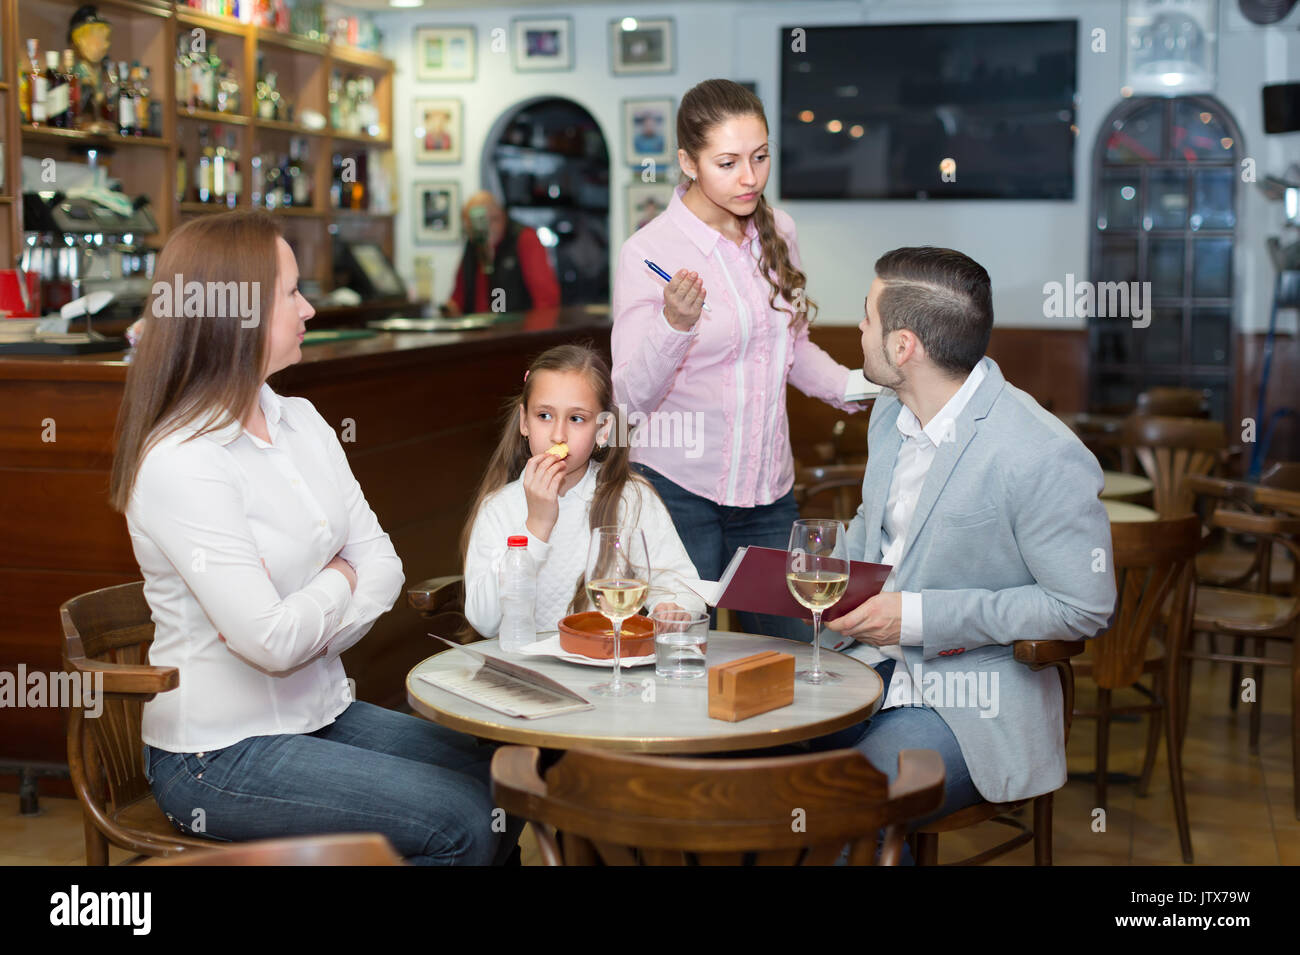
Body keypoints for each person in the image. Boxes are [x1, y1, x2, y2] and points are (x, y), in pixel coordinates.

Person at [109, 210, 517, 865]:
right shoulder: (182, 461)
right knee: (465, 820)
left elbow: (382, 561)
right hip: (217, 754)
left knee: (508, 777)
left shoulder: (298, 418)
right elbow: (274, 642)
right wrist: (339, 578)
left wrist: (312, 610)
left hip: (320, 712)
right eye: (291, 293)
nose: (309, 309)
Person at [821, 246, 1116, 826]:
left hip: (971, 700)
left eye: (867, 317)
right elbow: (869, 537)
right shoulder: (889, 414)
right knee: (750, 768)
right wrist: (802, 577)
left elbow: (1084, 606)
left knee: (845, 806)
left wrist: (919, 618)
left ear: (903, 346)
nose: (858, 328)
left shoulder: (1039, 451)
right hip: (858, 667)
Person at [611, 78, 863, 642]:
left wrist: (862, 388)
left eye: (760, 157)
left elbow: (790, 349)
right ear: (688, 162)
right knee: (678, 665)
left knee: (790, 665)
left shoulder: (780, 232)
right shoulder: (648, 252)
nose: (749, 178)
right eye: (727, 163)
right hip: (675, 492)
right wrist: (674, 326)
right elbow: (628, 398)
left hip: (769, 496)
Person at [462, 344, 704, 639]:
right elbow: (484, 621)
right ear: (524, 421)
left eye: (576, 419)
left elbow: (684, 587)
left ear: (603, 430)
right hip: (524, 669)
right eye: (544, 416)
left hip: (602, 667)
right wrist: (536, 527)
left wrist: (671, 606)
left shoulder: (631, 498)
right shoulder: (499, 508)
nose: (558, 435)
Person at [442, 191, 560, 317]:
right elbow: (459, 296)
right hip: (479, 332)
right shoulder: (474, 244)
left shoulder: (525, 239)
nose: (472, 233)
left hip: (516, 331)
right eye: (470, 228)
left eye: (476, 226)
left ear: (497, 218)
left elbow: (546, 300)